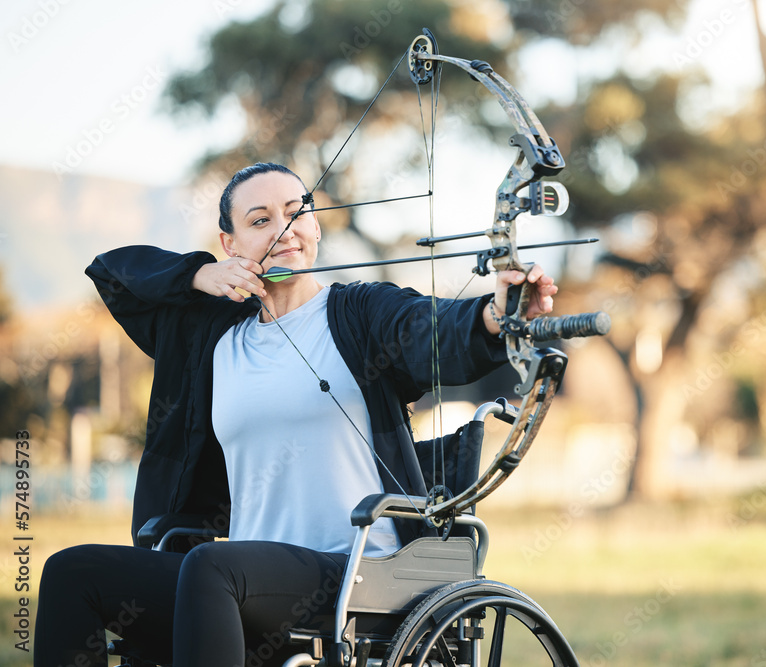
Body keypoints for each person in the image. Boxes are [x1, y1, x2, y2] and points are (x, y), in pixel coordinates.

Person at [35, 162, 558, 666]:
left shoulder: (360, 313)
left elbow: (432, 330)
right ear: (229, 245)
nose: (283, 229)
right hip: (231, 579)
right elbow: (115, 273)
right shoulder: (211, 337)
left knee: (212, 568)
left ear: (314, 225)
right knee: (70, 572)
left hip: (357, 572)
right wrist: (198, 275)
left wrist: (496, 314)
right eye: (260, 220)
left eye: (296, 211)